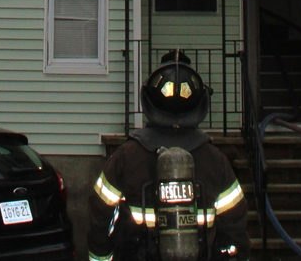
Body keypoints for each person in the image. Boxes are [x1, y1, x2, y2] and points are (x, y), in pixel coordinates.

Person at [88, 50, 250, 261]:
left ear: (148, 98)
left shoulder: (126, 157)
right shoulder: (215, 160)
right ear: (200, 101)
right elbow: (234, 226)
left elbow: (100, 217)